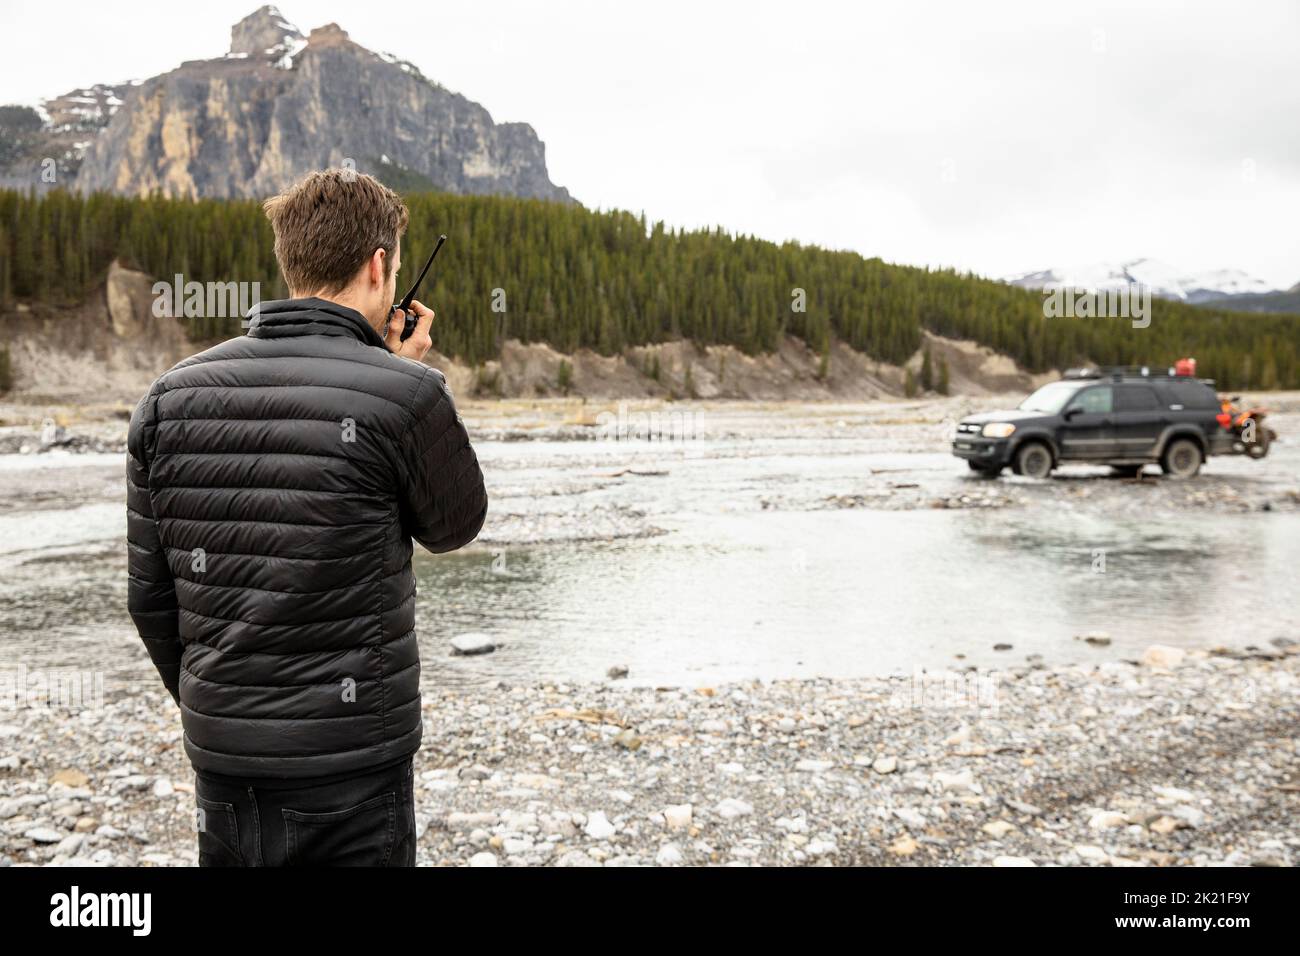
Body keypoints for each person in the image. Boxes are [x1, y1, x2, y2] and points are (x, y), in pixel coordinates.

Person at [125, 169, 488, 866]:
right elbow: (454, 527)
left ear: (289, 261)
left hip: (226, 761)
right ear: (379, 266)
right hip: (354, 761)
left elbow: (149, 599)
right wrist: (394, 374)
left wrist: (220, 705)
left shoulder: (168, 399)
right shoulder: (406, 394)